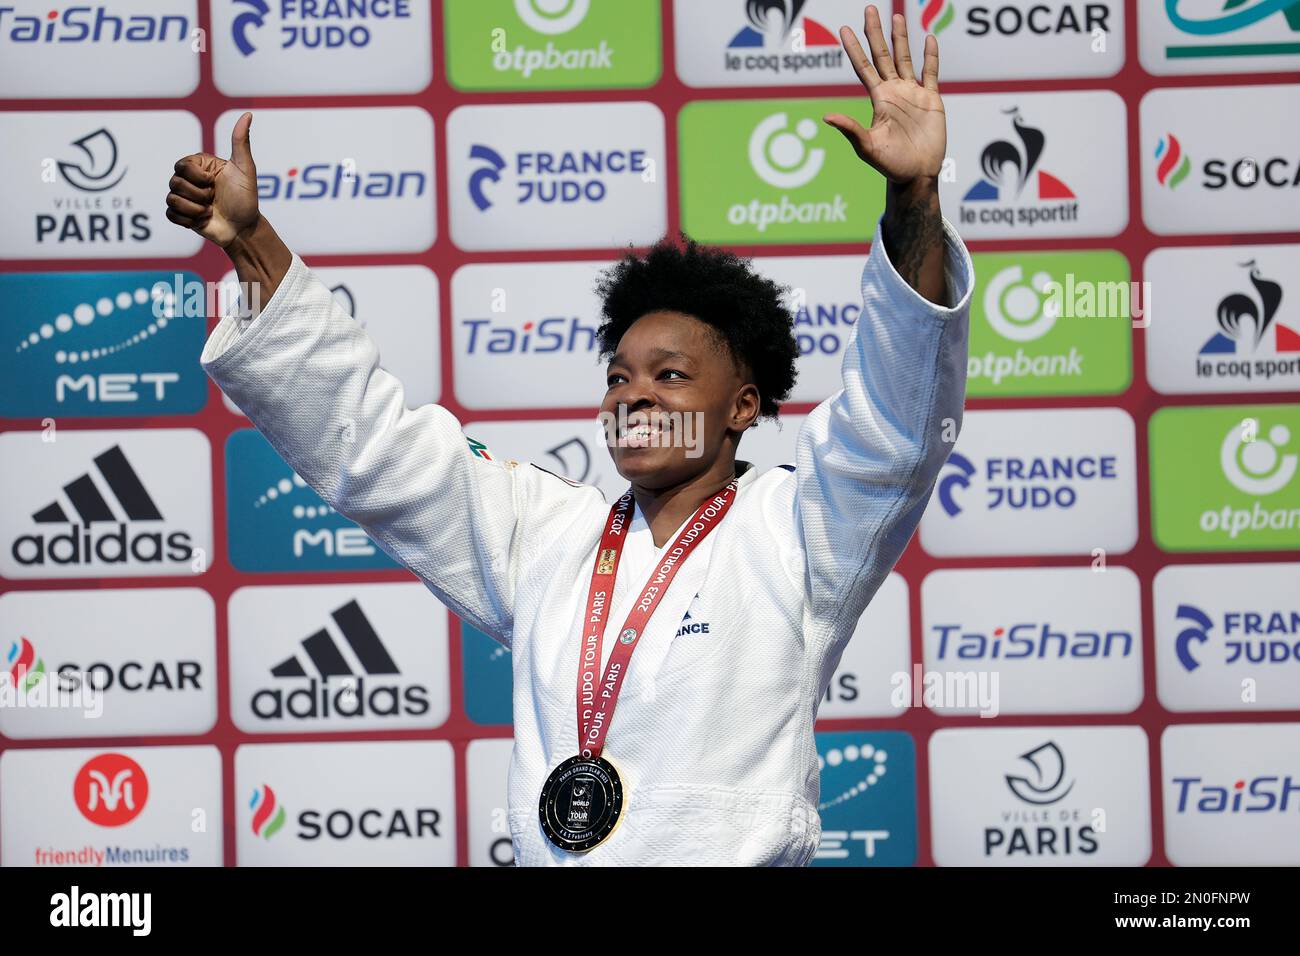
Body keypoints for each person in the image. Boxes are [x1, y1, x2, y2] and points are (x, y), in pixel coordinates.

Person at [166, 6, 975, 865]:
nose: (635, 396)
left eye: (670, 376)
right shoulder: (547, 535)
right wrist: (253, 242)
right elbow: (373, 442)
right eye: (619, 376)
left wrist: (912, 196)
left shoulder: (797, 529)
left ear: (743, 406)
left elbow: (895, 420)